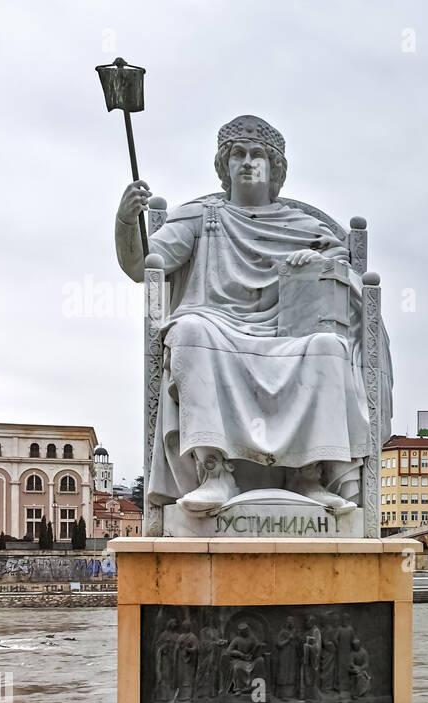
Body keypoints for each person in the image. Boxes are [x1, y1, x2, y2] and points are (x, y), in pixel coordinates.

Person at [114, 115, 392, 519]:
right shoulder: (200, 217)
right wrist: (127, 221)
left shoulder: (303, 227)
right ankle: (214, 471)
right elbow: (141, 266)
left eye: (257, 155)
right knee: (188, 332)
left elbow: (344, 274)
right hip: (215, 328)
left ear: (274, 168)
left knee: (329, 347)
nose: (247, 162)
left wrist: (317, 262)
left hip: (285, 338)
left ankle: (308, 476)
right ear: (224, 165)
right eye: (238, 154)